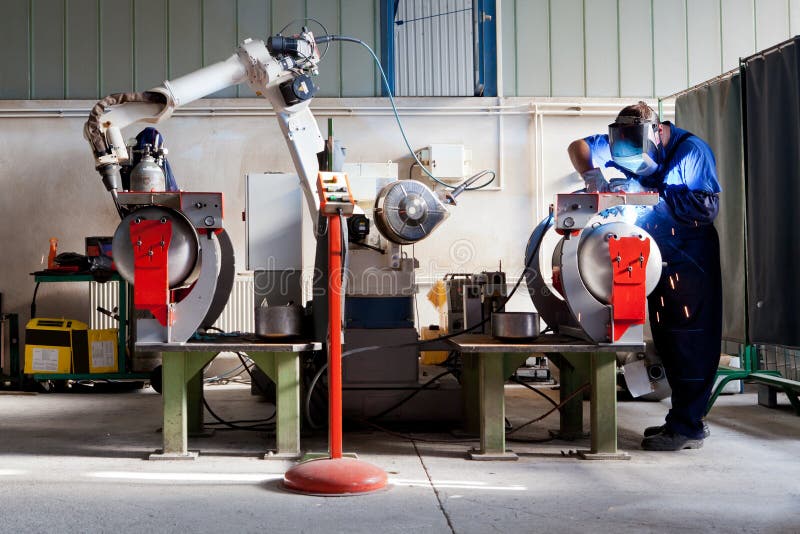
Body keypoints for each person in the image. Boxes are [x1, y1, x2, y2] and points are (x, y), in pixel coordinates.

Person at [567, 101, 722, 451]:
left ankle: (689, 426)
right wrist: (593, 178)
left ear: (657, 133)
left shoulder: (691, 151)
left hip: (691, 253)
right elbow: (577, 148)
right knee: (667, 336)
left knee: (691, 337)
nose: (632, 160)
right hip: (657, 248)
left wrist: (648, 198)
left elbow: (707, 206)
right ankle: (680, 421)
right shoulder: (621, 137)